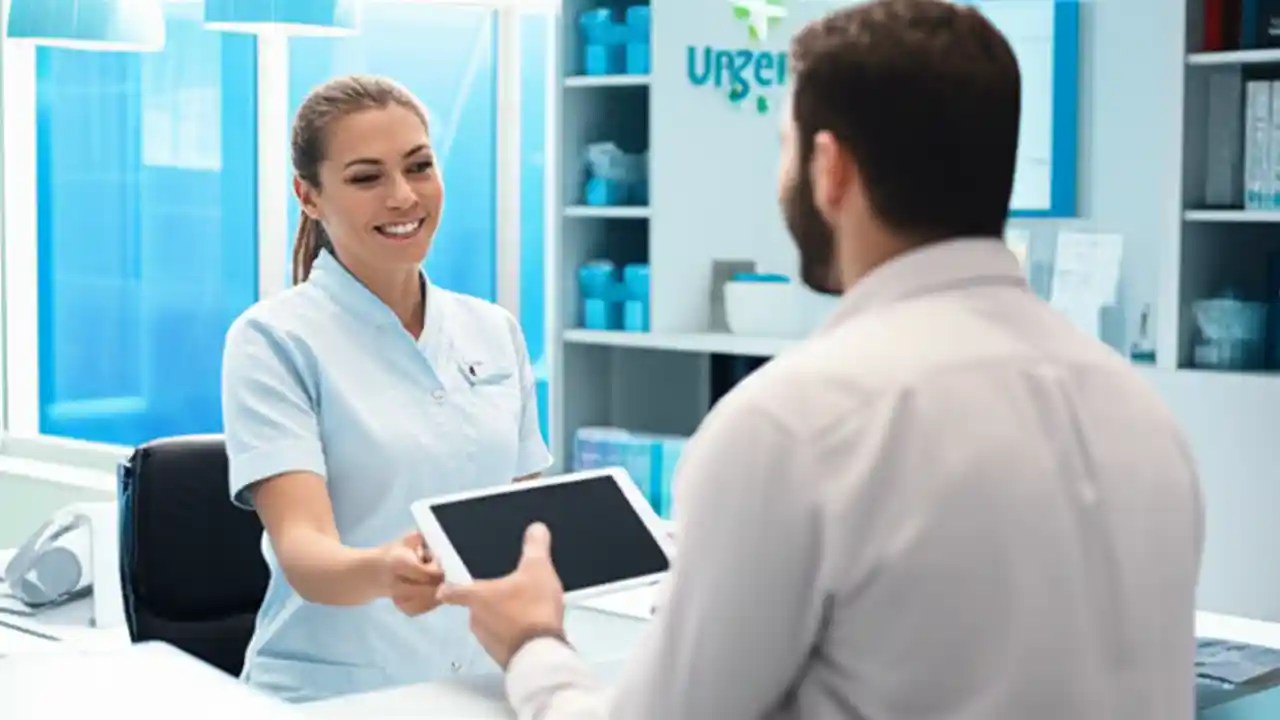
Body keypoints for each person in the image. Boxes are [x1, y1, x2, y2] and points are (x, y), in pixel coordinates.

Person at [438, 1, 1205, 718]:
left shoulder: (796, 425)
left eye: (786, 149)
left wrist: (533, 645)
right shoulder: (1137, 411)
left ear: (830, 168)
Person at [220, 74, 552, 703]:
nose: (403, 196)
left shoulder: (493, 330)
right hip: (332, 696)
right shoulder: (273, 340)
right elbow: (304, 552)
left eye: (419, 166)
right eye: (366, 177)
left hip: (483, 683)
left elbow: (522, 526)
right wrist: (383, 569)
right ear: (308, 196)